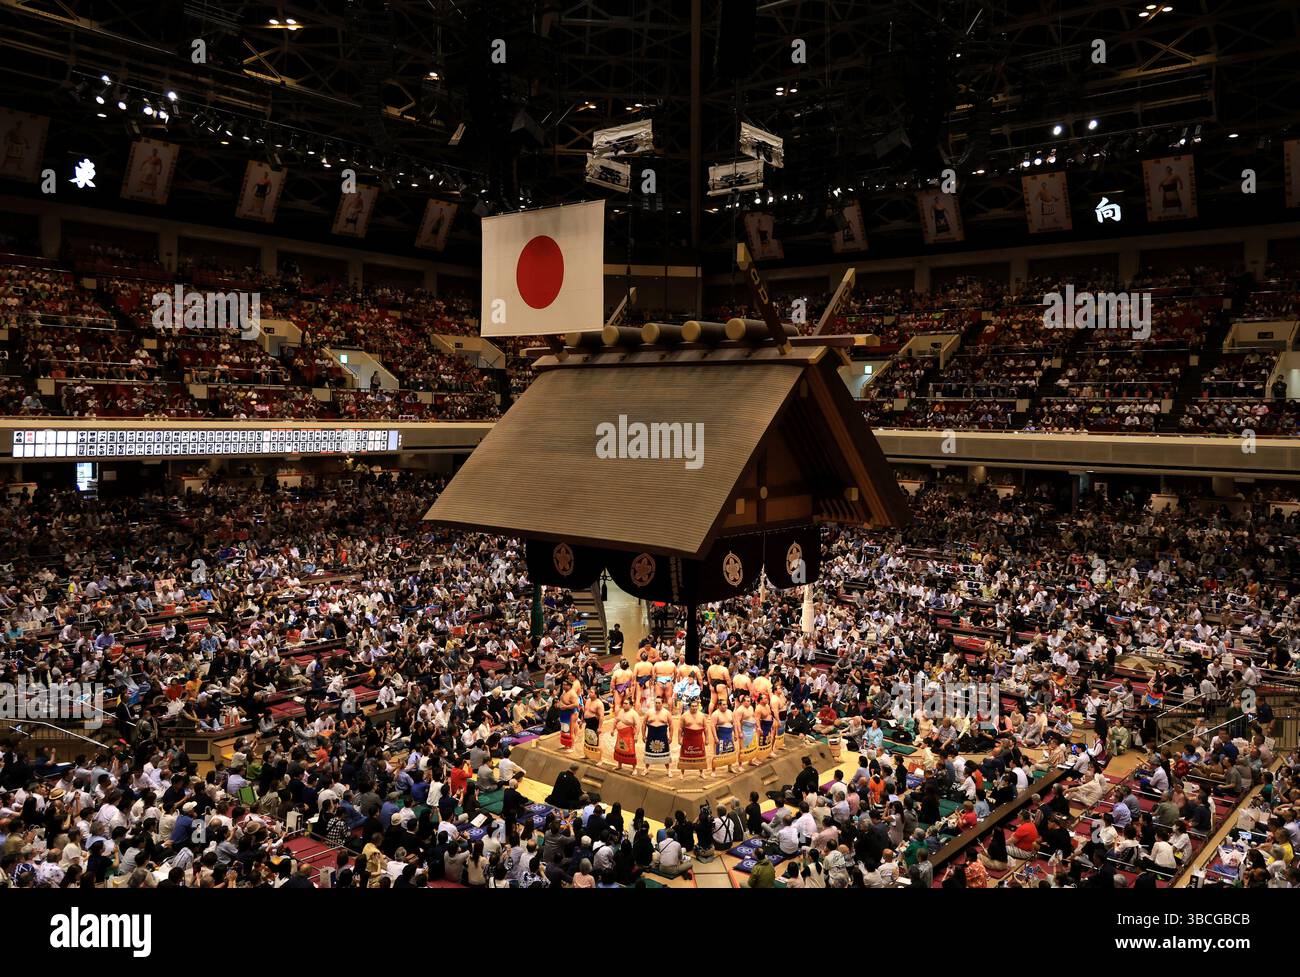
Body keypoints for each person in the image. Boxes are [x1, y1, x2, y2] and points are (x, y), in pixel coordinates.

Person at [677, 699, 709, 779]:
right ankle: (682, 773)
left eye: (695, 706)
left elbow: (705, 728)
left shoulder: (702, 715)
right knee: (684, 755)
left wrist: (707, 739)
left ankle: (701, 772)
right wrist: (679, 739)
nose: (694, 708)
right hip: (687, 738)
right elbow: (680, 729)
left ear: (698, 706)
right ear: (689, 706)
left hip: (698, 738)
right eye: (692, 706)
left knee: (700, 755)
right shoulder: (684, 715)